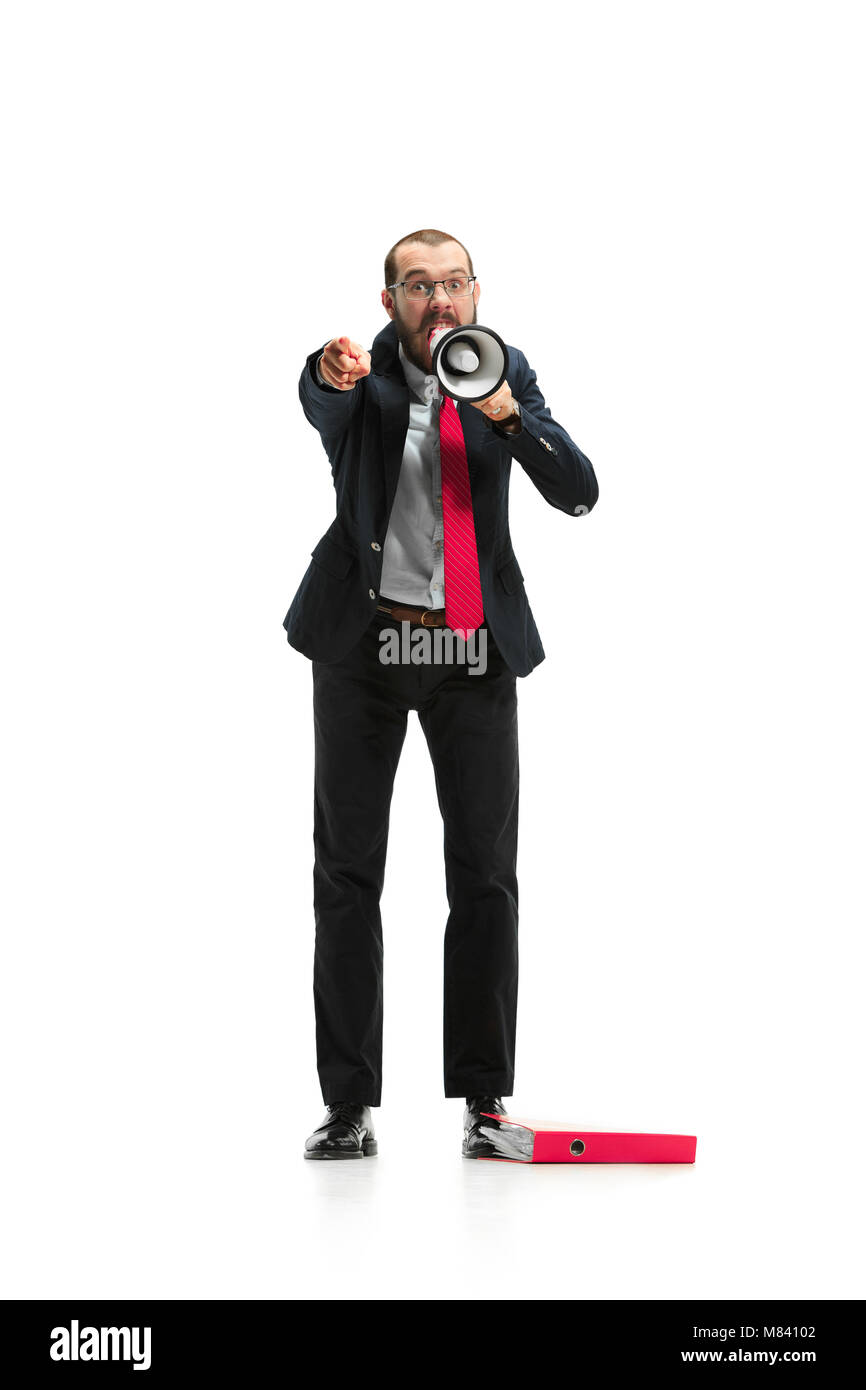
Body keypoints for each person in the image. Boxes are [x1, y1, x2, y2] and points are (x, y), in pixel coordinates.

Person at [283, 228, 599, 1159]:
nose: (440, 301)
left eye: (453, 282)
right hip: (362, 652)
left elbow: (578, 489)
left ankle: (485, 1102)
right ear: (391, 305)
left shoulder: (507, 374)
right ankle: (349, 1106)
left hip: (473, 653)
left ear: (475, 290)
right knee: (346, 877)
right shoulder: (364, 384)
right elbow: (319, 397)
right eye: (418, 286)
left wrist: (508, 413)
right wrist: (326, 370)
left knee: (487, 879)